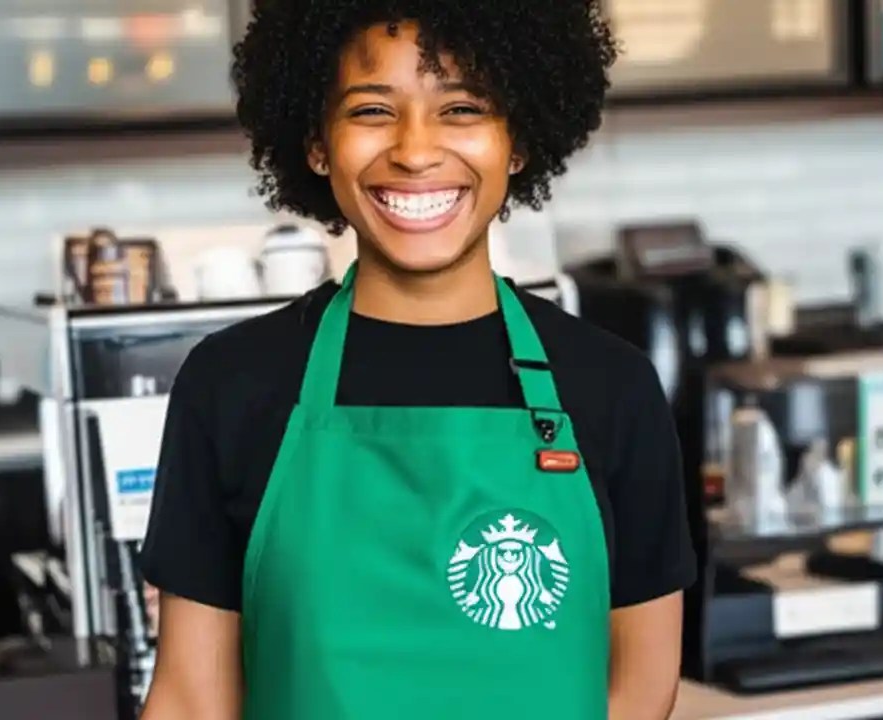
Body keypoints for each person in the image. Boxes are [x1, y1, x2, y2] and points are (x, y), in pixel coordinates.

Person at [139, 1, 696, 718]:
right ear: (317, 143)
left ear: (518, 142)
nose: (415, 150)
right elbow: (191, 701)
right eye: (372, 110)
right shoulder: (231, 385)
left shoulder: (613, 388)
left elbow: (641, 688)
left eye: (462, 109)